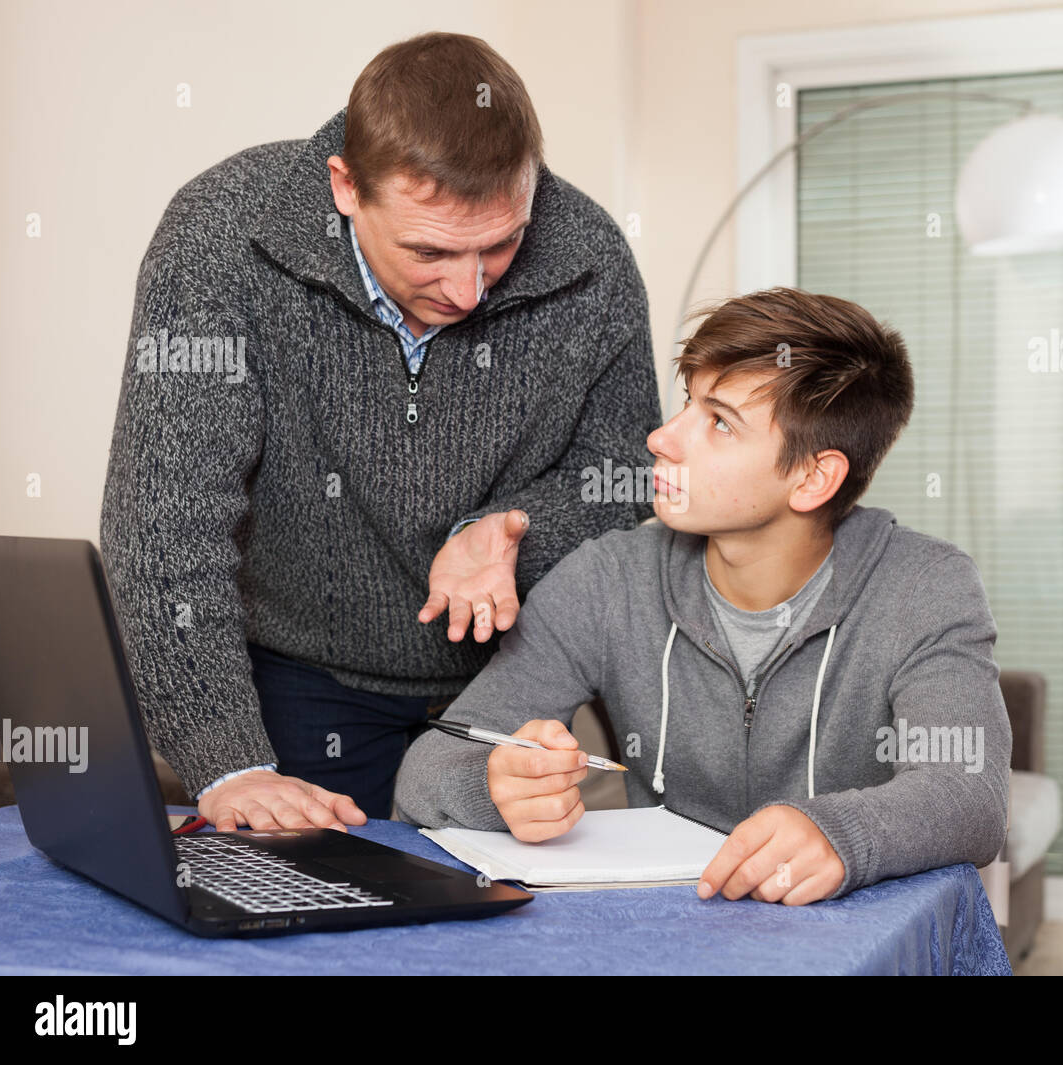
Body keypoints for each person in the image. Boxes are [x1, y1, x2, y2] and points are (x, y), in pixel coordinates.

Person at [99, 32, 661, 832]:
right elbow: (164, 525)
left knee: (498, 931)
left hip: (507, 680)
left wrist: (511, 532)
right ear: (344, 186)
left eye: (500, 245)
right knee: (318, 924)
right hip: (301, 681)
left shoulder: (592, 255)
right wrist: (226, 760)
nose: (468, 291)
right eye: (429, 250)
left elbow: (626, 471)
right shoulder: (218, 238)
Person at [394, 286, 1011, 905]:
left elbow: (969, 792)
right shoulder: (608, 579)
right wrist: (498, 785)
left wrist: (839, 833)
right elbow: (428, 769)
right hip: (673, 929)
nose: (663, 438)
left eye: (719, 422)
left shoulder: (926, 586)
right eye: (687, 402)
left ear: (813, 477)